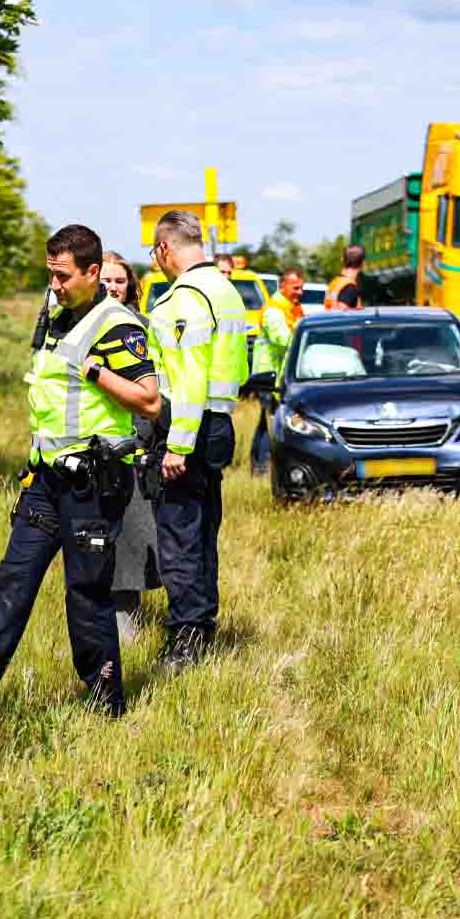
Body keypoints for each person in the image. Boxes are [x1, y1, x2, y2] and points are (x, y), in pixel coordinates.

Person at [0, 225, 161, 722]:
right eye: (51, 274)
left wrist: (95, 371)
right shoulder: (54, 317)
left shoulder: (116, 324)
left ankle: (104, 704)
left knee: (85, 594)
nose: (56, 284)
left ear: (93, 273)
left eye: (64, 276)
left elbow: (149, 401)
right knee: (11, 582)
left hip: (92, 483)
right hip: (47, 478)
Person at [146, 210, 248, 673]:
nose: (156, 262)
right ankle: (203, 629)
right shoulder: (227, 293)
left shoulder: (181, 302)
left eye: (154, 253)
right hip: (221, 424)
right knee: (205, 532)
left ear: (166, 248)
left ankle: (185, 641)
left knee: (180, 536)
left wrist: (177, 445)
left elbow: (188, 380)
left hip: (188, 426)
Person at [99, 251, 162, 643]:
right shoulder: (74, 329)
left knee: (131, 548)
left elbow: (154, 391)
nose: (112, 287)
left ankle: (127, 635)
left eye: (120, 280)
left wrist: (141, 437)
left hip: (132, 454)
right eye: (106, 279)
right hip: (89, 454)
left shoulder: (142, 327)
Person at [249, 268, 304, 476]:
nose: (300, 292)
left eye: (302, 288)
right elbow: (283, 339)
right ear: (283, 286)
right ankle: (262, 467)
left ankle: (258, 465)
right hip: (268, 375)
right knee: (270, 421)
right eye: (295, 287)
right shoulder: (274, 310)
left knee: (265, 423)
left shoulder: (292, 308)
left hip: (278, 374)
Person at [324, 244, 366, 310]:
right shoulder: (350, 287)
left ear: (342, 260)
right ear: (363, 263)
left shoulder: (335, 282)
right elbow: (341, 312)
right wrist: (359, 311)